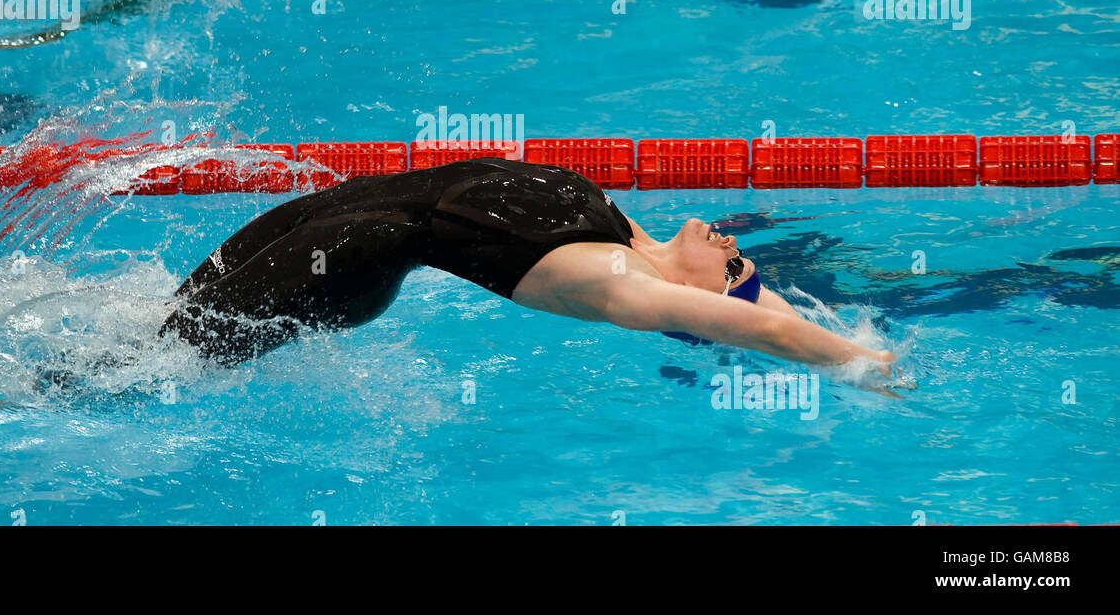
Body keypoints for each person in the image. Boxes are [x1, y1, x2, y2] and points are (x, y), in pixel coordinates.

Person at [161, 157, 896, 376]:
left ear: (698, 298)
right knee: (163, 319)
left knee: (169, 360)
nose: (736, 251)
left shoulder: (630, 288)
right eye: (743, 259)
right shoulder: (631, 237)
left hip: (354, 258)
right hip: (346, 207)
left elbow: (767, 333)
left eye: (733, 269)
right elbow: (771, 313)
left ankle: (53, 402)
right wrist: (779, 302)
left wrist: (866, 362)